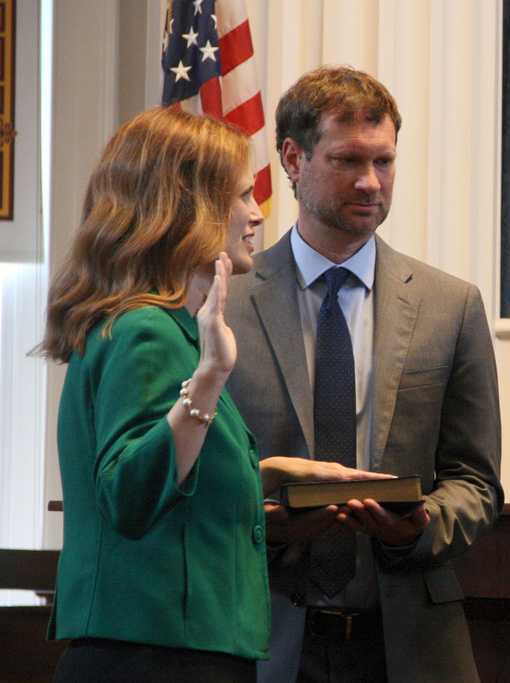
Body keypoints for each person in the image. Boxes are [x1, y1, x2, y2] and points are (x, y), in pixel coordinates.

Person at [40, 107, 388, 683]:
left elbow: (178, 490)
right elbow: (131, 496)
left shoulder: (169, 327)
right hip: (155, 658)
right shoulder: (145, 330)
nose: (256, 215)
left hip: (175, 652)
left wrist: (271, 473)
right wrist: (210, 378)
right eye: (242, 195)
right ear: (186, 207)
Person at [224, 65, 503, 682]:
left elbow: (476, 481)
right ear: (293, 159)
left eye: (385, 161)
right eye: (349, 160)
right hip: (260, 638)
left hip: (408, 646)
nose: (371, 182)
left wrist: (418, 525)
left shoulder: (449, 305)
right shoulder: (225, 303)